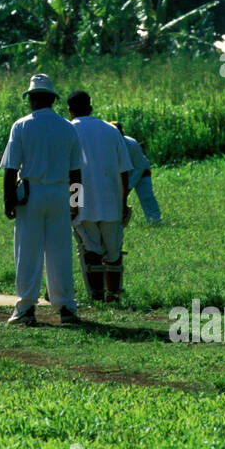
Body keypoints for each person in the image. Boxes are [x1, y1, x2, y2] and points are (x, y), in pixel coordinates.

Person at [1, 74, 83, 326]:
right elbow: (76, 172)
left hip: (31, 193)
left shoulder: (22, 126)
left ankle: (26, 308)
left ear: (33, 99)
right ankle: (66, 308)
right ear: (52, 99)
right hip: (59, 194)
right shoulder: (67, 127)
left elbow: (11, 168)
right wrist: (76, 203)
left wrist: (8, 201)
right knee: (60, 253)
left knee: (27, 252)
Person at [68, 93, 131, 303]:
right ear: (91, 107)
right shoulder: (111, 130)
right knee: (113, 253)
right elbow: (124, 171)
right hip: (111, 202)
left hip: (83, 204)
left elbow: (70, 172)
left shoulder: (69, 130)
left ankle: (96, 297)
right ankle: (113, 296)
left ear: (70, 109)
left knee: (91, 250)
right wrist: (123, 202)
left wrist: (73, 205)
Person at [111, 121, 162, 224]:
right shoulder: (108, 146)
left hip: (141, 171)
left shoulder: (131, 144)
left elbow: (139, 166)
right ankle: (116, 221)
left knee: (146, 196)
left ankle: (155, 220)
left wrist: (128, 186)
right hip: (121, 174)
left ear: (122, 133)